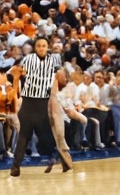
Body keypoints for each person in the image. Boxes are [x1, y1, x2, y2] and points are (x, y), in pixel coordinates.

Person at [10, 37, 74, 175]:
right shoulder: (28, 59)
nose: (41, 48)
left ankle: (59, 159)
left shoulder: (53, 61)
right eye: (39, 45)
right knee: (24, 136)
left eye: (44, 45)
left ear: (47, 47)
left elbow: (60, 77)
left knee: (49, 136)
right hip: (28, 103)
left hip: (43, 103)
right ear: (35, 47)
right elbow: (15, 72)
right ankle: (15, 166)